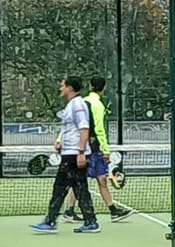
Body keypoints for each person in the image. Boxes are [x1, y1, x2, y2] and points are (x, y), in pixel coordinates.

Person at [31, 76, 98, 234]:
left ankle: (50, 221)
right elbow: (71, 129)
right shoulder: (71, 106)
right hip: (70, 153)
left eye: (62, 86)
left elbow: (84, 129)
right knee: (79, 187)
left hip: (75, 155)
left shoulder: (78, 105)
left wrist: (81, 153)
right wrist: (61, 142)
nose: (60, 88)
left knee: (62, 187)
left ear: (70, 88)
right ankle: (90, 221)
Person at [63, 76, 131, 223]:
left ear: (90, 85)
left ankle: (112, 211)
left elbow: (70, 125)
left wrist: (59, 140)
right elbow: (99, 129)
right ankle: (70, 211)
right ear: (104, 88)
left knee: (87, 179)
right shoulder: (97, 105)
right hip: (93, 148)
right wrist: (106, 149)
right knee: (97, 180)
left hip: (84, 147)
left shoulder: (80, 103)